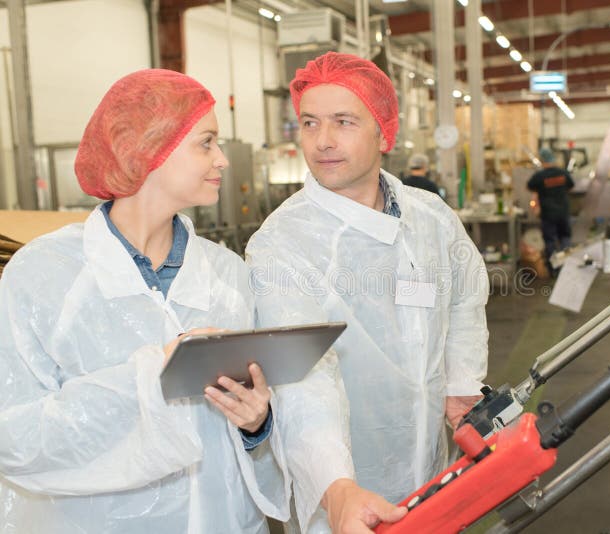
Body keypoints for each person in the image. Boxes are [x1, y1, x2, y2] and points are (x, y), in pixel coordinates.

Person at [0, 69, 403, 534]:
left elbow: (254, 429)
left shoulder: (227, 274)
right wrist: (151, 377)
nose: (222, 160)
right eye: (206, 143)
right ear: (149, 149)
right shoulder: (44, 275)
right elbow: (15, 437)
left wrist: (256, 422)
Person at [246, 52, 489, 507]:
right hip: (346, 489)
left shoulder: (430, 217)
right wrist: (336, 488)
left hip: (431, 465)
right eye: (310, 123)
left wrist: (460, 384)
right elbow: (300, 381)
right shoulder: (282, 243)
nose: (323, 141)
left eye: (343, 122)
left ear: (384, 132)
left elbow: (464, 298)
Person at [527, 147, 574, 272]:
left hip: (548, 214)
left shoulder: (540, 176)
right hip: (563, 212)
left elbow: (530, 186)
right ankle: (566, 266)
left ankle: (554, 269)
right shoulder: (563, 173)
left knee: (550, 241)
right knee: (565, 238)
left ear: (542, 160)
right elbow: (571, 186)